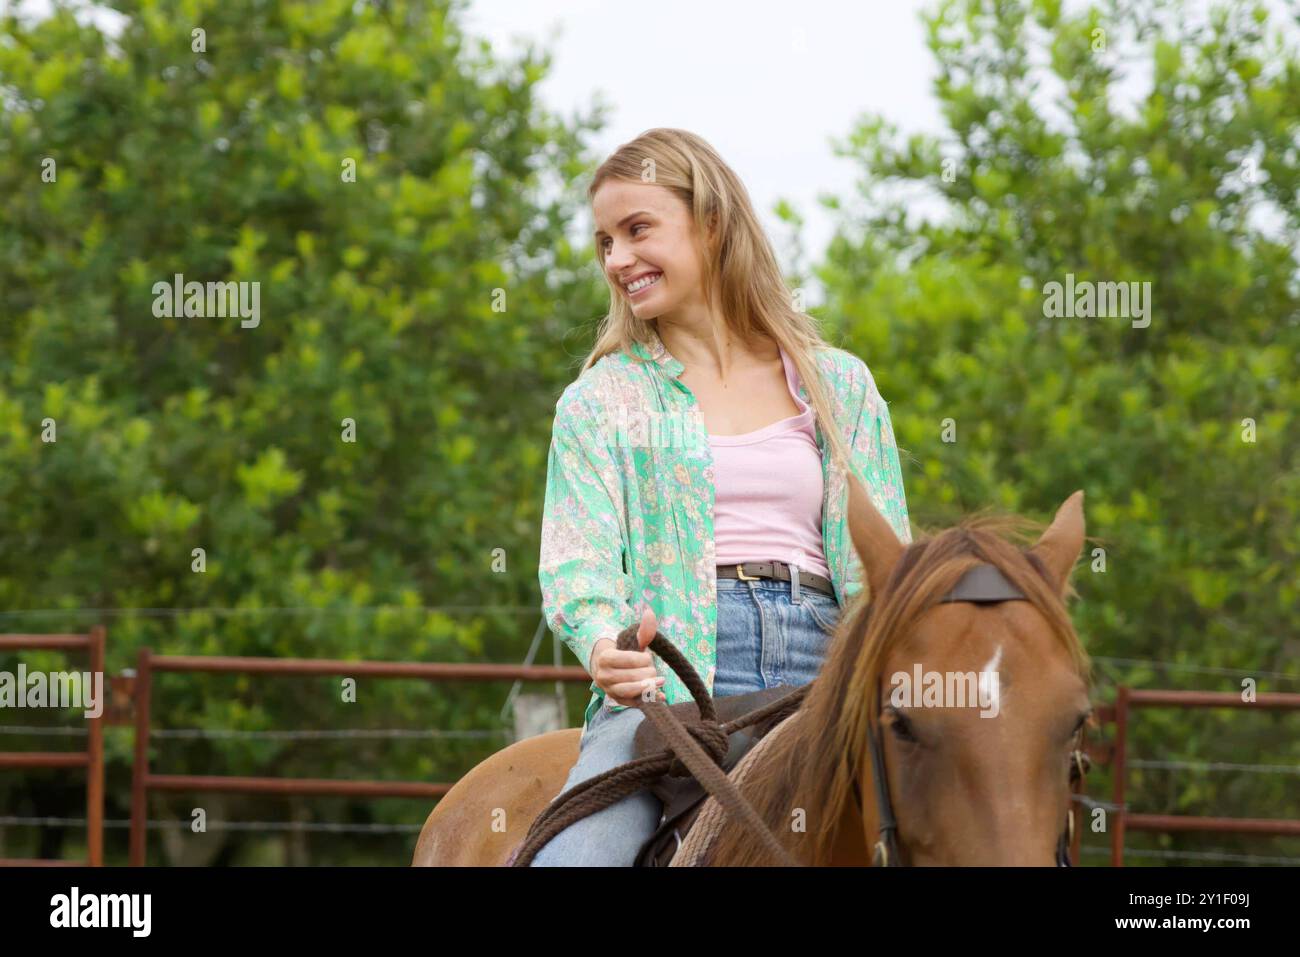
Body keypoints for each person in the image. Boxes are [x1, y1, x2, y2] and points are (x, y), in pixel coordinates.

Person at [531, 128, 911, 866]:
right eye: (605, 241)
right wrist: (607, 644)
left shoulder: (840, 385)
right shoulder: (600, 400)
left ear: (711, 222)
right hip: (670, 685)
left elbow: (881, 560)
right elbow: (577, 567)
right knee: (577, 860)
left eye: (638, 229)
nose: (617, 260)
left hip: (828, 672)